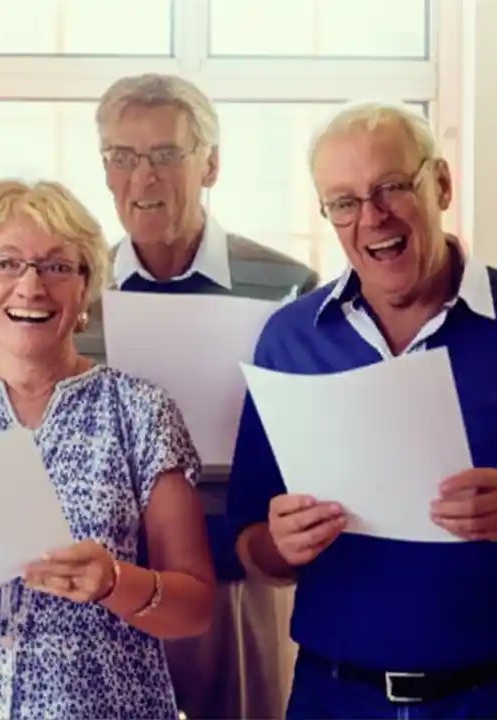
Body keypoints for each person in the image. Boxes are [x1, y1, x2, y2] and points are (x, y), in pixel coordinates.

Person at [0, 178, 215, 718]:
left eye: (56, 266)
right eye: (5, 263)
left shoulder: (141, 412)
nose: (30, 286)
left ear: (84, 288)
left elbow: (195, 609)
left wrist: (115, 582)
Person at [229, 102, 497, 718]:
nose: (372, 217)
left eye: (392, 187)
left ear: (443, 184)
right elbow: (250, 547)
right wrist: (279, 543)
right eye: (344, 202)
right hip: (333, 696)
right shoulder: (289, 339)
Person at [77, 73, 319, 718]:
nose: (142, 178)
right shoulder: (75, 292)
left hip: (244, 583)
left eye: (164, 155)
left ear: (210, 164)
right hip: (117, 585)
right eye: (122, 158)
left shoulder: (288, 285)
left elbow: (312, 440)